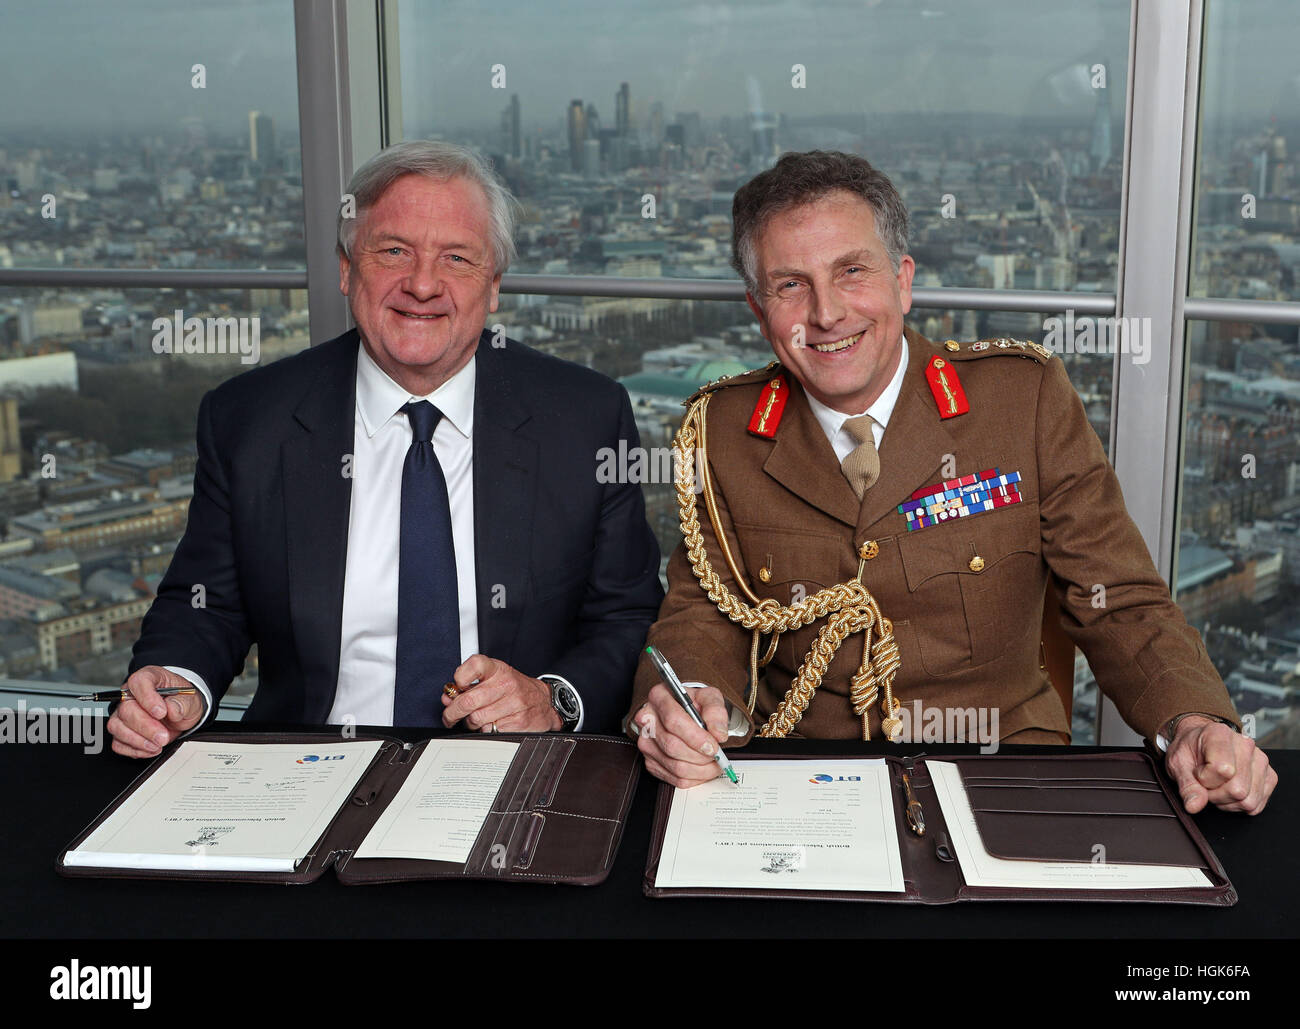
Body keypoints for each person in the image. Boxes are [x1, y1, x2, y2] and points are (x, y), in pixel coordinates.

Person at [628, 150, 1275, 815]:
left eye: (852, 271)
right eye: (790, 285)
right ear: (759, 311)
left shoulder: (1020, 402)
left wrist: (1193, 720)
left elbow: (1120, 600)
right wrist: (692, 704)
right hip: (799, 782)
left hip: (998, 773)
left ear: (903, 281)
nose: (826, 312)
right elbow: (702, 616)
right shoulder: (723, 430)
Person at [109, 141, 662, 758]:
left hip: (511, 764)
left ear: (495, 286)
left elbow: (629, 617)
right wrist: (178, 684)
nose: (423, 284)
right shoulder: (249, 418)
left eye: (457, 258)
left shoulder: (583, 418)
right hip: (306, 768)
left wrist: (554, 699)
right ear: (348, 268)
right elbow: (205, 604)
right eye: (394, 250)